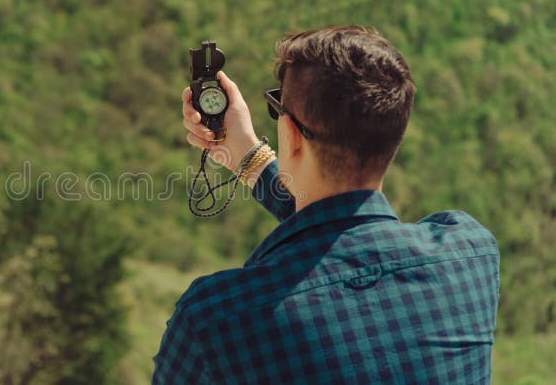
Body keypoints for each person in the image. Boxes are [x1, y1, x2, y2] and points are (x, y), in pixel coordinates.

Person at [153, 26, 499, 384]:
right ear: (396, 132)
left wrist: (252, 157)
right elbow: (341, 228)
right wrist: (249, 157)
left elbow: (331, 231)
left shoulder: (213, 320)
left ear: (289, 133)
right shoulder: (472, 255)